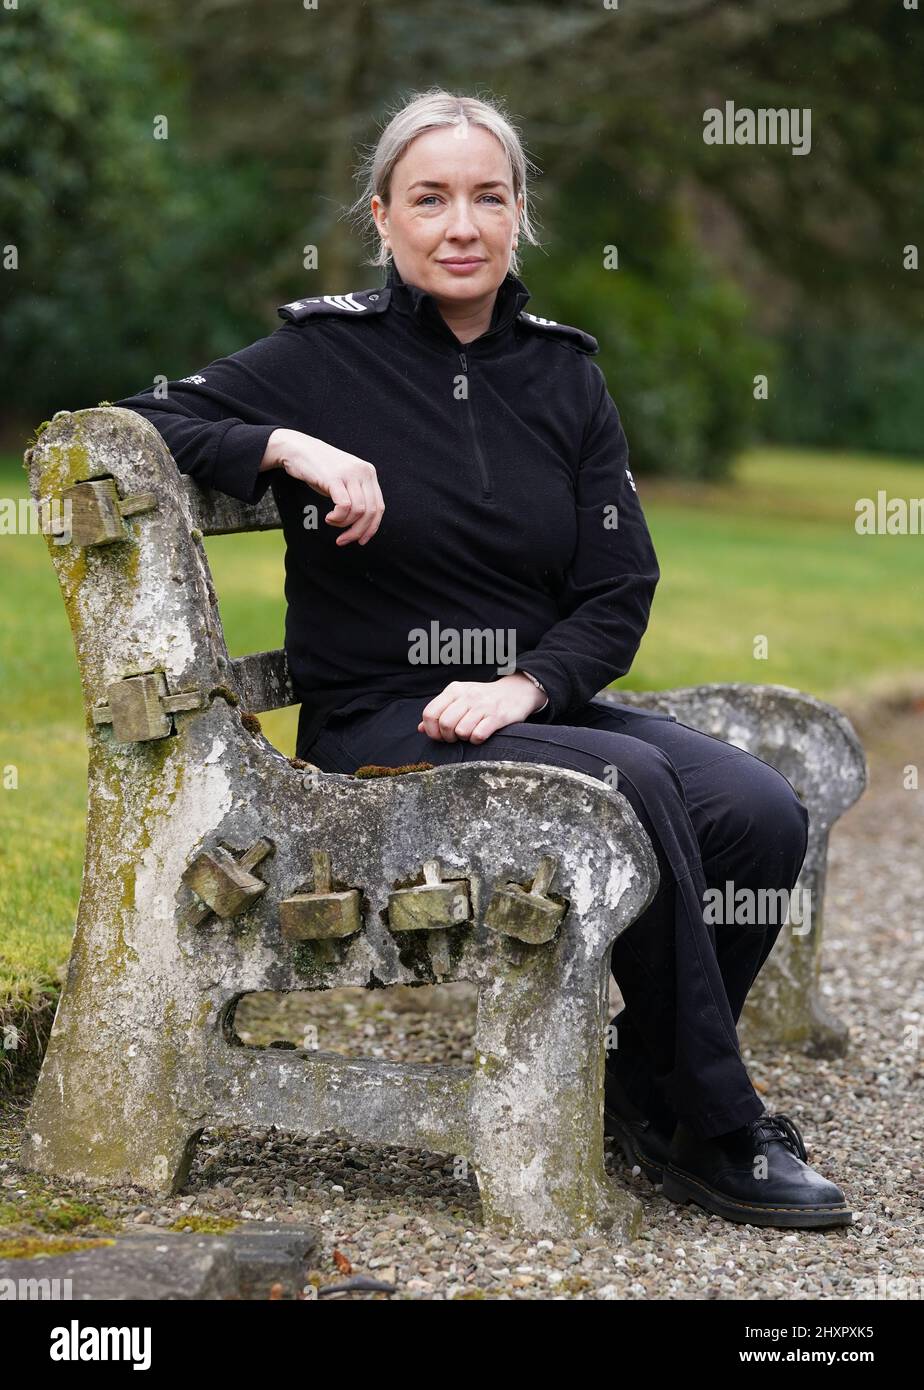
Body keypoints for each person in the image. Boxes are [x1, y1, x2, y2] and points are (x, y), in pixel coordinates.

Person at [115, 88, 851, 1230]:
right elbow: (128, 427)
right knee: (639, 783)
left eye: (486, 197)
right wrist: (286, 443)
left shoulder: (566, 380)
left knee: (759, 809)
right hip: (380, 728)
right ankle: (715, 1120)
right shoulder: (323, 357)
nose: (460, 224)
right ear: (384, 219)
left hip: (529, 705)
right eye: (431, 198)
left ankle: (648, 1088)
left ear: (519, 217)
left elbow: (619, 589)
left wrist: (526, 683)